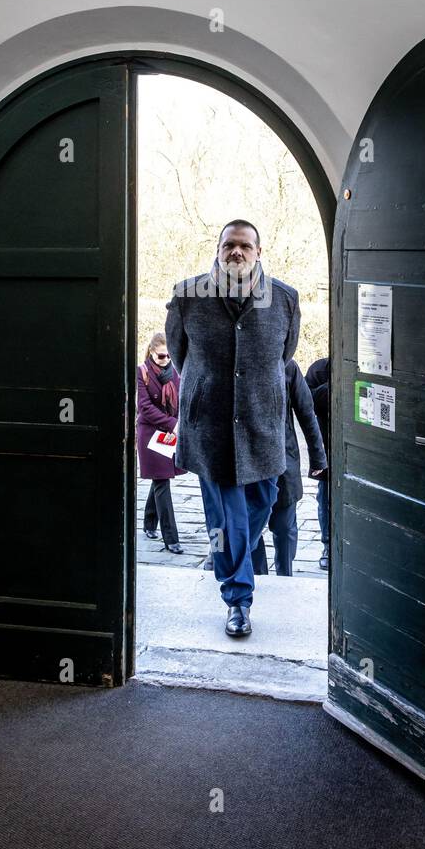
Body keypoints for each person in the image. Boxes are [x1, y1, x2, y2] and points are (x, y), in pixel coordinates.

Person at [165, 219, 322, 638]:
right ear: (217, 249)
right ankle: (238, 598)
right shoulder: (187, 296)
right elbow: (179, 358)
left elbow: (284, 356)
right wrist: (206, 390)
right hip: (209, 429)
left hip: (262, 426)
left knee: (265, 497)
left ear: (259, 252)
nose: (236, 252)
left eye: (245, 246)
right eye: (229, 245)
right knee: (231, 516)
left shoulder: (286, 299)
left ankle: (225, 554)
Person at [252, 357, 327, 576]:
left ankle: (285, 576)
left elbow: (306, 412)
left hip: (284, 459)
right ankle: (259, 576)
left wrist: (318, 458)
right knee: (251, 526)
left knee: (284, 527)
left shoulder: (288, 366)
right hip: (249, 461)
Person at [136, 331, 185, 554]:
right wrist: (171, 423)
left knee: (160, 477)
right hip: (150, 432)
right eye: (161, 356)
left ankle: (148, 522)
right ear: (152, 353)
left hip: (168, 431)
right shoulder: (141, 373)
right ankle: (171, 538)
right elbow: (144, 407)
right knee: (162, 480)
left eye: (168, 355)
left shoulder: (175, 371)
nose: (166, 359)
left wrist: (177, 423)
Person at [305, 357, 330, 570]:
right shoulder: (318, 369)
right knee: (325, 497)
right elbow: (308, 401)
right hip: (325, 448)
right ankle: (328, 545)